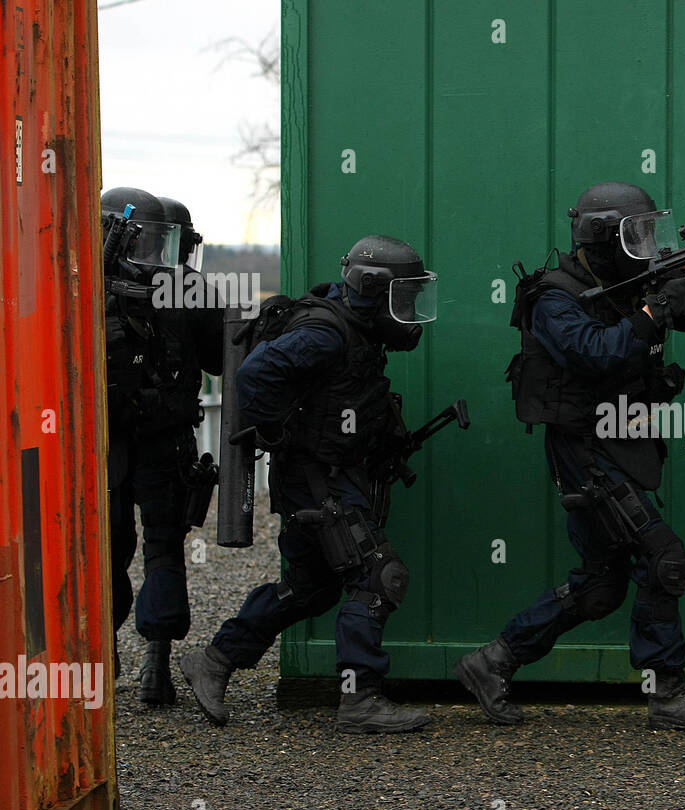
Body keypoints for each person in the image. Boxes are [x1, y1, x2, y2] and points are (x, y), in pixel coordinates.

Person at [457, 181, 685, 730]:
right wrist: (657, 309)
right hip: (584, 448)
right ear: (602, 236)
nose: (648, 243)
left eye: (650, 231)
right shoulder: (552, 296)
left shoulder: (634, 281)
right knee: (664, 558)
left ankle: (492, 663)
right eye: (637, 233)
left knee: (602, 585)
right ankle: (668, 691)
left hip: (625, 440)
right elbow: (592, 353)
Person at [180, 235, 437, 734]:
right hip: (318, 480)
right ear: (372, 289)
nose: (407, 309)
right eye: (401, 296)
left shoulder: (354, 326)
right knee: (380, 576)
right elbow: (255, 378)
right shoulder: (326, 331)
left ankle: (214, 660)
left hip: (326, 475)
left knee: (311, 588)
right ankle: (359, 696)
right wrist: (281, 434)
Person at [101, 187, 222, 705]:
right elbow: (221, 361)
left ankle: (100, 654)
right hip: (165, 443)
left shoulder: (82, 284)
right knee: (163, 552)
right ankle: (157, 667)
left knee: (103, 553)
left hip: (103, 446)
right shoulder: (189, 289)